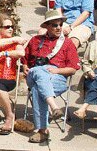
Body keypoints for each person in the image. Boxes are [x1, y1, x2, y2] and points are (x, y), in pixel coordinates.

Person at [24, 10, 79, 143]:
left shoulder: (67, 43)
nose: (59, 27)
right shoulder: (35, 40)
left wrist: (57, 71)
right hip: (34, 75)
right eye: (55, 25)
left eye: (60, 24)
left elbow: (73, 69)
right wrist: (25, 67)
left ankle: (42, 131)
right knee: (38, 70)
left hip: (57, 77)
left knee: (38, 89)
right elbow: (24, 60)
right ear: (47, 26)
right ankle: (54, 106)